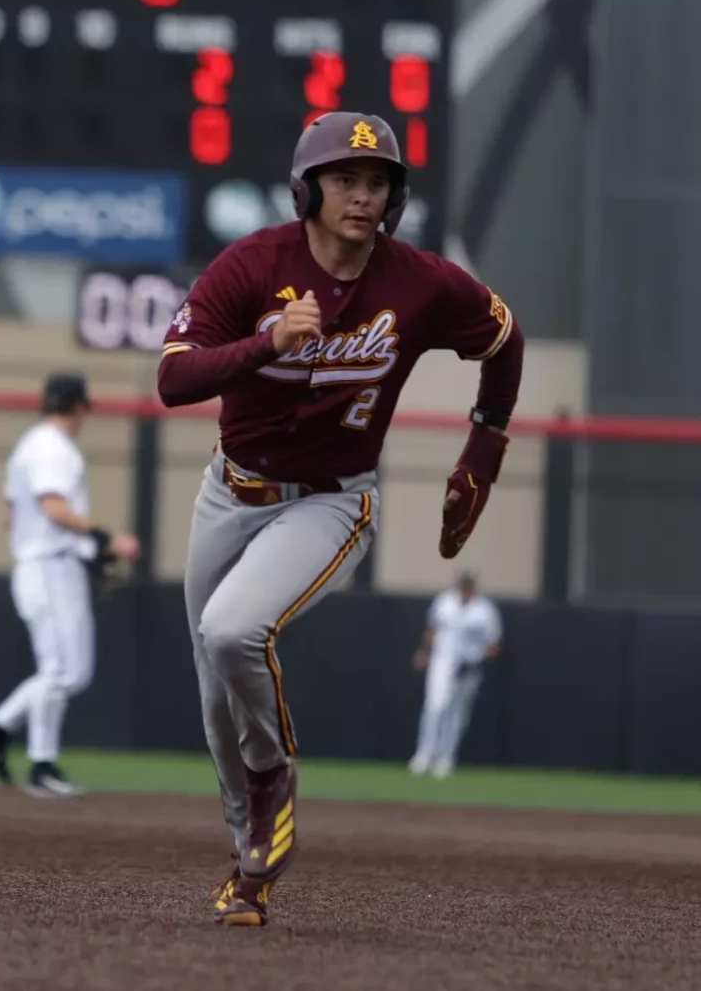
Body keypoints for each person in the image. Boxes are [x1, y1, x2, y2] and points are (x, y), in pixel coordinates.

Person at [157, 111, 524, 927]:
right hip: (231, 492)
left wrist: (484, 448)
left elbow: (505, 338)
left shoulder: (421, 281)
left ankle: (271, 775)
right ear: (308, 188)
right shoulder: (253, 265)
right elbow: (174, 380)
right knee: (214, 697)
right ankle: (249, 867)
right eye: (345, 179)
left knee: (232, 632)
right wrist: (265, 343)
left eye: (378, 182)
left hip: (331, 499)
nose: (363, 196)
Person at [0, 371, 140, 799]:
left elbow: (9, 517)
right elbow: (54, 507)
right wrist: (106, 539)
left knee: (71, 672)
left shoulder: (29, 444)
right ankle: (42, 765)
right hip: (49, 566)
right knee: (61, 672)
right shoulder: (53, 448)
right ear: (79, 406)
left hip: (44, 564)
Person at [410, 570, 504, 779]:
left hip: (469, 666)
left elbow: (494, 644)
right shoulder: (444, 602)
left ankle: (446, 757)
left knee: (457, 714)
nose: (464, 589)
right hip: (442, 662)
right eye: (462, 584)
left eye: (467, 585)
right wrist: (424, 652)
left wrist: (479, 658)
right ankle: (424, 755)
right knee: (435, 708)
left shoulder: (484, 610)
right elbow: (431, 629)